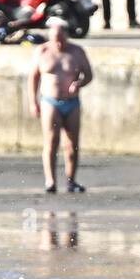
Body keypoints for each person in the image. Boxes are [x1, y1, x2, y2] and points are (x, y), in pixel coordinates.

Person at [28, 20, 93, 194]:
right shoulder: (42, 51)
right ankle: (50, 181)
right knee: (51, 141)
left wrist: (79, 83)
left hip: (72, 102)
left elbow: (88, 75)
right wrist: (33, 102)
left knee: (72, 145)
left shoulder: (77, 52)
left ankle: (71, 181)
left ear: (66, 36)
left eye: (61, 39)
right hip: (50, 102)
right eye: (55, 39)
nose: (58, 43)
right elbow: (33, 78)